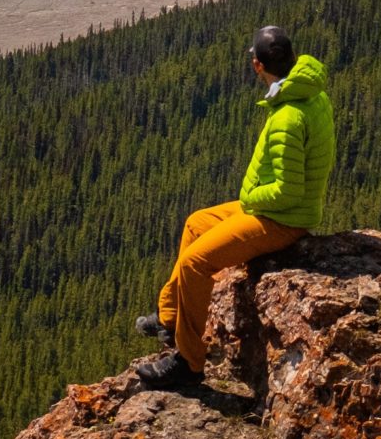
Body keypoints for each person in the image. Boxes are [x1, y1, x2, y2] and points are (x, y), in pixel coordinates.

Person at [134, 24, 335, 391]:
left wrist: (250, 199)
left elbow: (288, 191)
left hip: (283, 219)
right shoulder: (308, 92)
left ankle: (188, 363)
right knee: (197, 223)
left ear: (258, 66)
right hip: (279, 209)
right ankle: (170, 317)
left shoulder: (288, 116)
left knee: (195, 263)